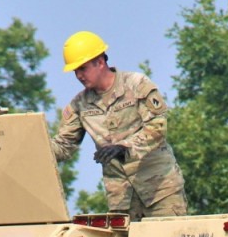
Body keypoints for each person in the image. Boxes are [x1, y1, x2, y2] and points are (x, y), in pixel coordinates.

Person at [50, 30, 187, 220]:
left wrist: (125, 147)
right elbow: (63, 146)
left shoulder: (136, 84)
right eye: (75, 71)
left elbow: (157, 127)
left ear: (100, 62)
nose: (79, 75)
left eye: (83, 68)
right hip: (122, 200)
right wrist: (30, 145)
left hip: (160, 191)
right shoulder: (78, 105)